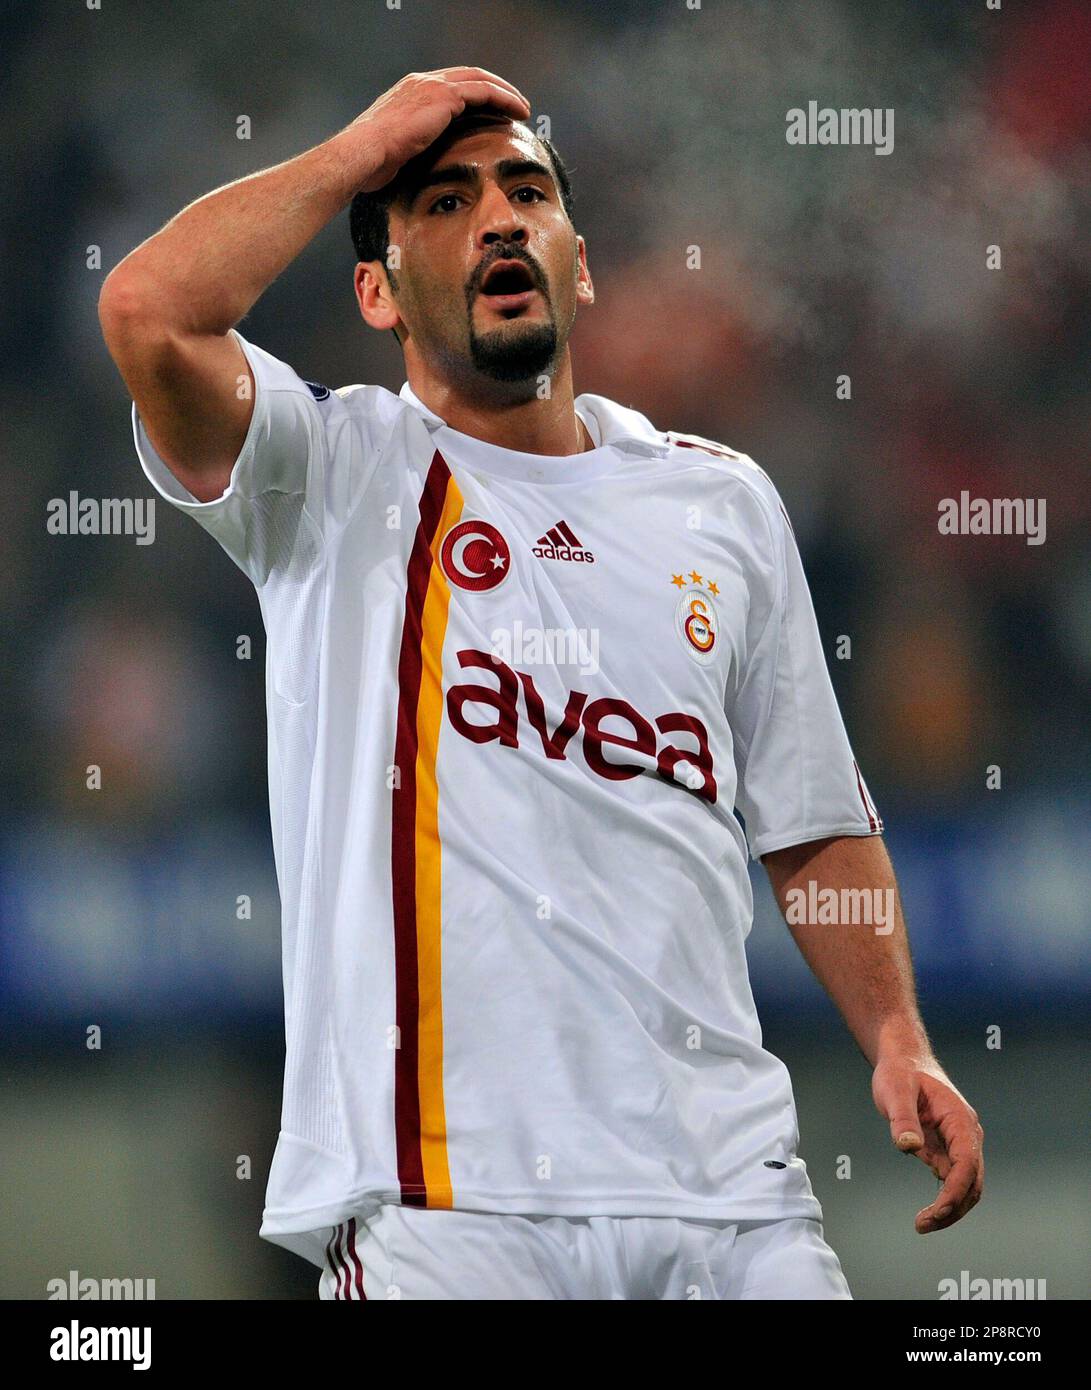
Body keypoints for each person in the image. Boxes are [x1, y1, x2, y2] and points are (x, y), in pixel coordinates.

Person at [99, 66, 984, 1300]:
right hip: (451, 1212)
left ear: (578, 265)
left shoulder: (718, 501)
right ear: (377, 290)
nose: (498, 218)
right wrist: (359, 150)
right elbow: (148, 311)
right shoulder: (326, 469)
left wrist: (897, 1037)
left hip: (731, 1205)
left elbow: (813, 820)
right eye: (445, 204)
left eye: (525, 192)